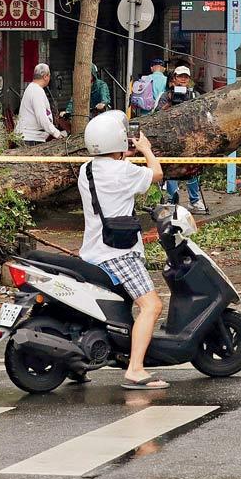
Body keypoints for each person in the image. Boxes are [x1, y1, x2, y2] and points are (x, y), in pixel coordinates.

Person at [79, 111, 167, 390]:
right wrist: (146, 149)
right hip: (118, 253)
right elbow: (157, 174)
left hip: (91, 252)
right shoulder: (123, 171)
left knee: (117, 309)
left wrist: (122, 153)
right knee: (151, 305)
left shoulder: (87, 169)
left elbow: (113, 171)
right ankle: (136, 369)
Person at [159, 66, 208, 215]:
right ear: (174, 78)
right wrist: (168, 106)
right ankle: (172, 199)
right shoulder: (165, 96)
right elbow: (156, 116)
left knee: (192, 168)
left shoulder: (194, 95)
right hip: (170, 138)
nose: (183, 79)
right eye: (180, 76)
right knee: (172, 168)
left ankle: (195, 200)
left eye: (186, 77)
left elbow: (202, 113)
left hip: (189, 138)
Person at [15, 63, 64, 146]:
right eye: (49, 75)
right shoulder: (36, 91)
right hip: (30, 138)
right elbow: (42, 117)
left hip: (31, 137)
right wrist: (56, 133)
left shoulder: (33, 88)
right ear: (45, 77)